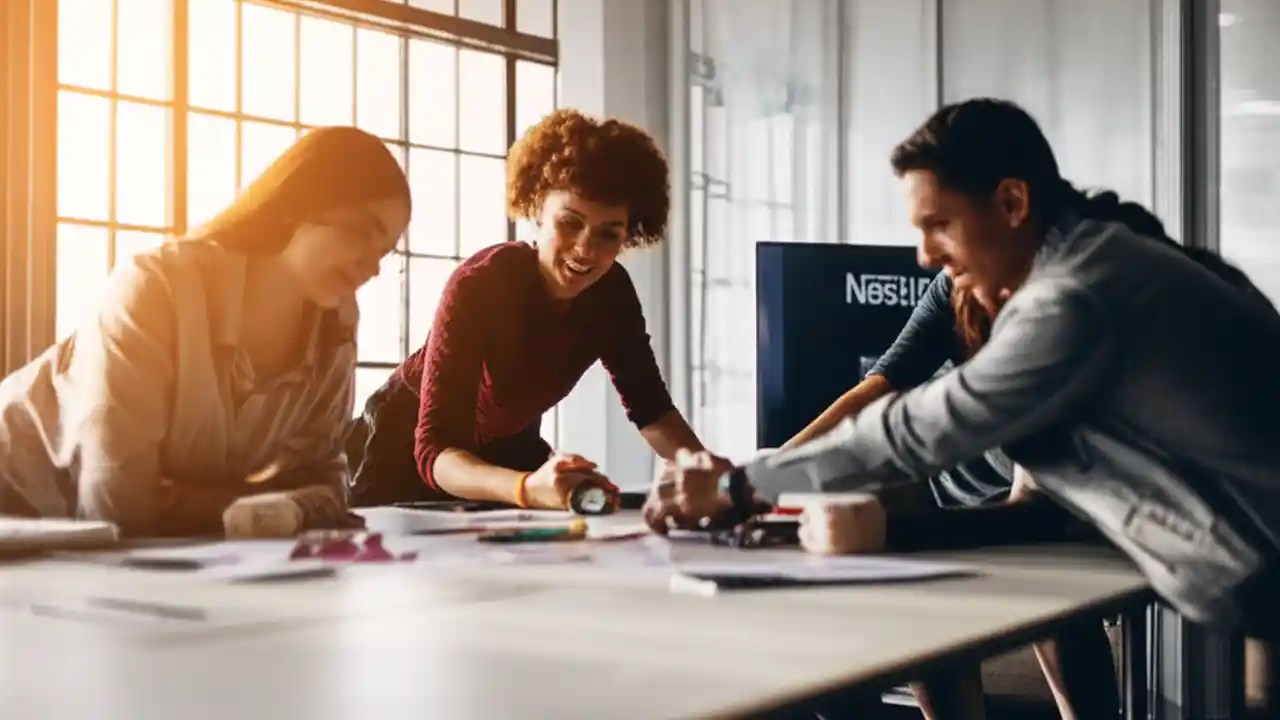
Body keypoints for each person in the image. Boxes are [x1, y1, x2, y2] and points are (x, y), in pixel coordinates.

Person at [647, 98, 1280, 716]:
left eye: (938, 225)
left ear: (1012, 203)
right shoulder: (1104, 261)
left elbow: (914, 431)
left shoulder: (1071, 298)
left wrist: (741, 486)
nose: (925, 255)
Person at [0, 127, 411, 537]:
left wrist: (195, 502)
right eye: (362, 232)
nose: (373, 268)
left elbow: (327, 485)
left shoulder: (334, 323)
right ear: (295, 206)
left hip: (111, 543)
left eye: (383, 252)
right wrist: (246, 506)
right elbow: (118, 504)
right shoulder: (154, 287)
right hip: (20, 506)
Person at [348, 109, 720, 510]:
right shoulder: (480, 284)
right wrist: (526, 488)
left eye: (607, 234)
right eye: (570, 222)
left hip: (507, 444)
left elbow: (652, 411)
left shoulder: (613, 293)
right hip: (407, 441)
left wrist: (710, 472)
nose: (585, 249)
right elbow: (437, 447)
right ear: (537, 207)